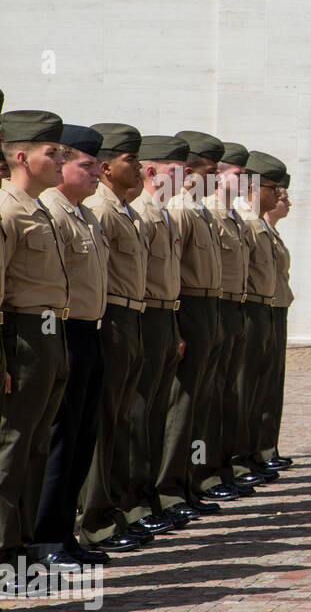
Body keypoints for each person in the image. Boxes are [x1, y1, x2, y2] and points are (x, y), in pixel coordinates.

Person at [30, 125, 111, 570]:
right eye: (86, 165)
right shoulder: (53, 213)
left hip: (89, 332)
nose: (96, 172)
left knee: (83, 438)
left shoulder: (84, 214)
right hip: (62, 332)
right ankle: (44, 539)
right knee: (60, 439)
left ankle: (64, 534)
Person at [0, 110, 72, 581]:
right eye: (54, 152)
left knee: (36, 444)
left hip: (48, 332)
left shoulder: (37, 206)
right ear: (23, 156)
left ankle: (22, 547)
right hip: (22, 335)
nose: (62, 158)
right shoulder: (7, 210)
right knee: (11, 446)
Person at [79, 122, 149, 553]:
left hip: (132, 316)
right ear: (106, 167)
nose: (140, 168)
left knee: (122, 418)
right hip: (112, 318)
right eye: (131, 160)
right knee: (104, 421)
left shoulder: (122, 209)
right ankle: (95, 517)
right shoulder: (102, 210)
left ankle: (113, 508)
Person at [154, 130, 227, 522]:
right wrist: (180, 326)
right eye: (208, 171)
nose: (214, 179)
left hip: (208, 305)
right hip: (188, 306)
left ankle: (186, 483)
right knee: (180, 405)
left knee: (197, 403)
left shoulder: (198, 209)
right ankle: (167, 490)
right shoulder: (180, 208)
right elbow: (174, 274)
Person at [124, 134, 191, 539]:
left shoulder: (163, 214)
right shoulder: (140, 213)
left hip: (166, 317)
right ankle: (129, 503)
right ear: (152, 171)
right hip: (142, 317)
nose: (185, 178)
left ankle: (146, 498)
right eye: (176, 171)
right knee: (136, 415)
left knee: (153, 415)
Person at [197, 141, 258, 501]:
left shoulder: (229, 214)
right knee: (203, 402)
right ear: (219, 174)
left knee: (224, 396)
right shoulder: (204, 211)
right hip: (210, 308)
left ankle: (220, 470)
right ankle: (200, 476)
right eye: (239, 173)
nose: (245, 180)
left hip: (233, 308)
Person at [230, 151, 285, 485]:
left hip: (265, 308)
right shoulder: (246, 221)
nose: (279, 196)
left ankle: (254, 455)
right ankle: (238, 461)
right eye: (273, 188)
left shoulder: (257, 222)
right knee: (240, 391)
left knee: (257, 388)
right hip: (247, 310)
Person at [260, 177, 294, 470]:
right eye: (282, 197)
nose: (288, 202)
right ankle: (257, 451)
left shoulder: (270, 232)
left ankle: (268, 448)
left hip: (277, 306)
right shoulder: (255, 228)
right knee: (258, 385)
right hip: (265, 308)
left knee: (272, 383)